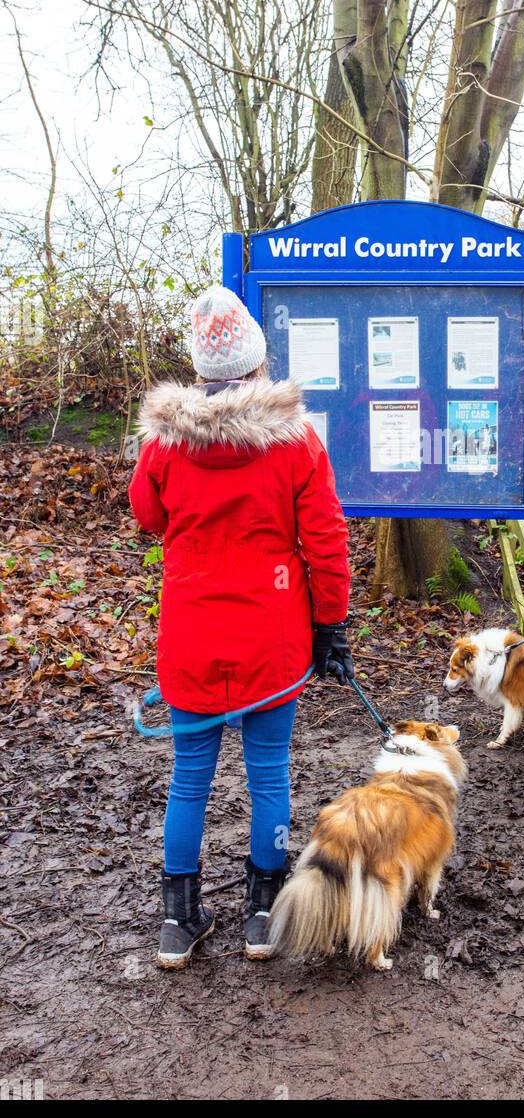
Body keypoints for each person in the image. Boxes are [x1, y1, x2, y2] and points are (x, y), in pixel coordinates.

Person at [129, 284, 352, 968]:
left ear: (199, 368)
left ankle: (178, 920)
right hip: (273, 635)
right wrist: (331, 626)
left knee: (189, 779)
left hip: (192, 635)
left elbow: (147, 515)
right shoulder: (297, 442)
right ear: (258, 363)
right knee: (269, 773)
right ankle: (263, 912)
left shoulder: (166, 444)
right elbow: (326, 541)